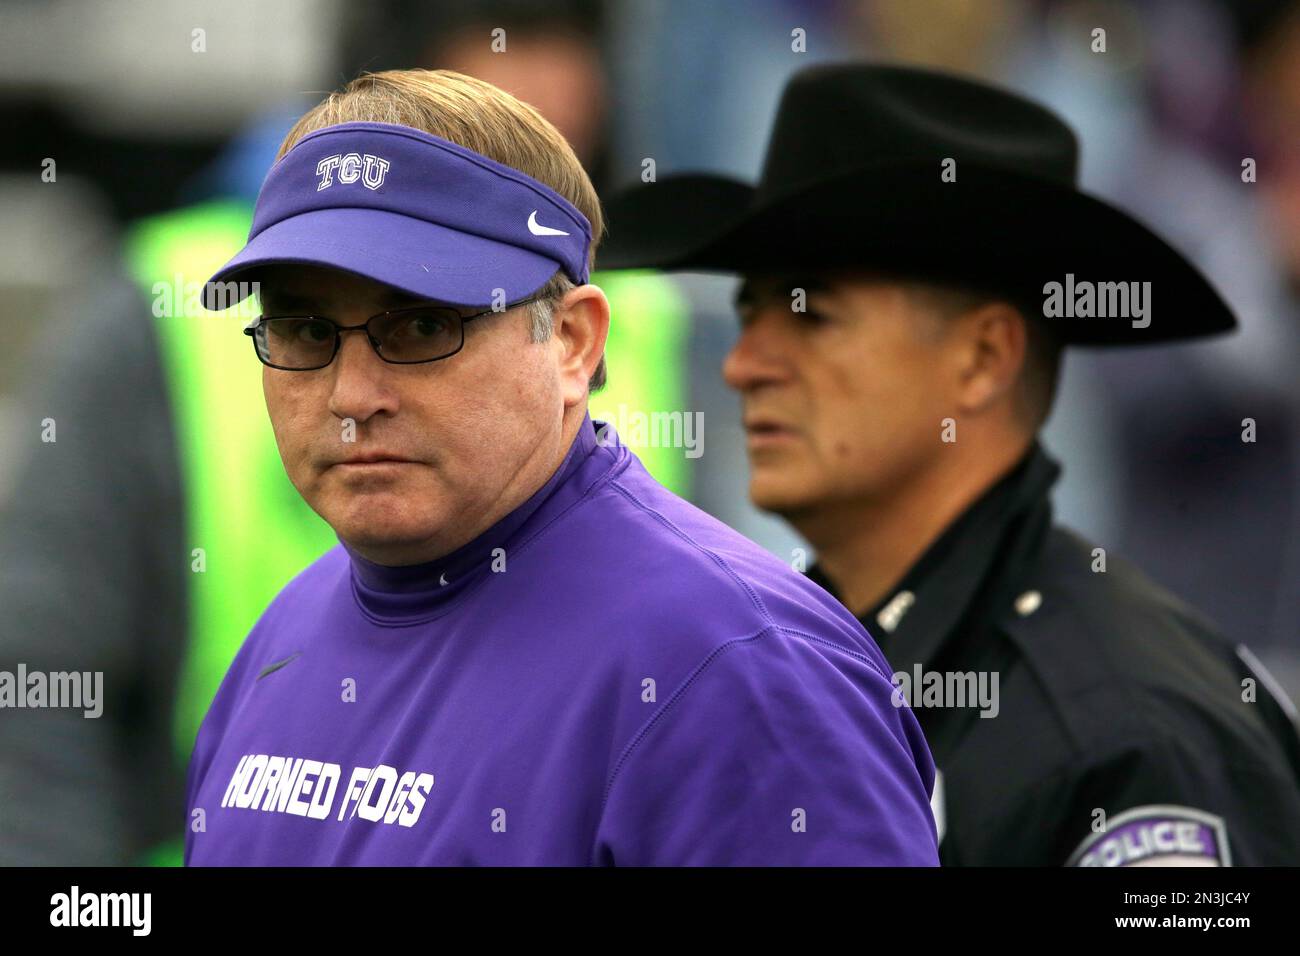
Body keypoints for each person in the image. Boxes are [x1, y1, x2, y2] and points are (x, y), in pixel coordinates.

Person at [182, 68, 939, 866]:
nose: (352, 395)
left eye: (422, 324)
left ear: (573, 342)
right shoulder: (280, 642)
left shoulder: (742, 671)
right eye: (304, 330)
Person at [599, 62, 1300, 866]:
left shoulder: (1127, 735)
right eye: (748, 313)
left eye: (811, 315)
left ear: (982, 359)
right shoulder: (781, 661)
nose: (743, 365)